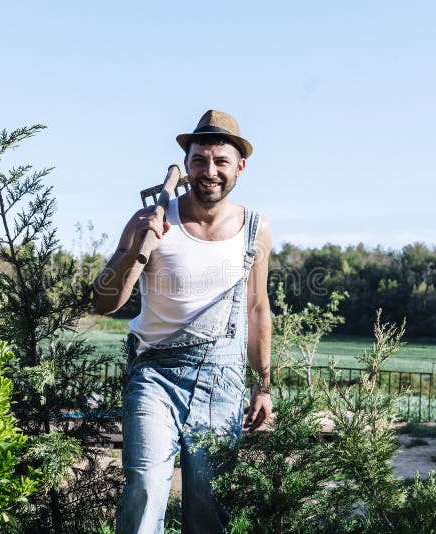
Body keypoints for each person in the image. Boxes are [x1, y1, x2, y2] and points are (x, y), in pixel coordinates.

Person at [93, 110, 272, 533]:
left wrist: (263, 385)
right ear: (187, 163)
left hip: (222, 382)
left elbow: (257, 307)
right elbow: (105, 302)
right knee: (145, 487)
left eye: (221, 161)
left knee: (208, 506)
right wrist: (130, 246)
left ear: (240, 166)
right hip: (155, 375)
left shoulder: (255, 230)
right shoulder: (155, 220)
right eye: (199, 160)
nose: (209, 171)